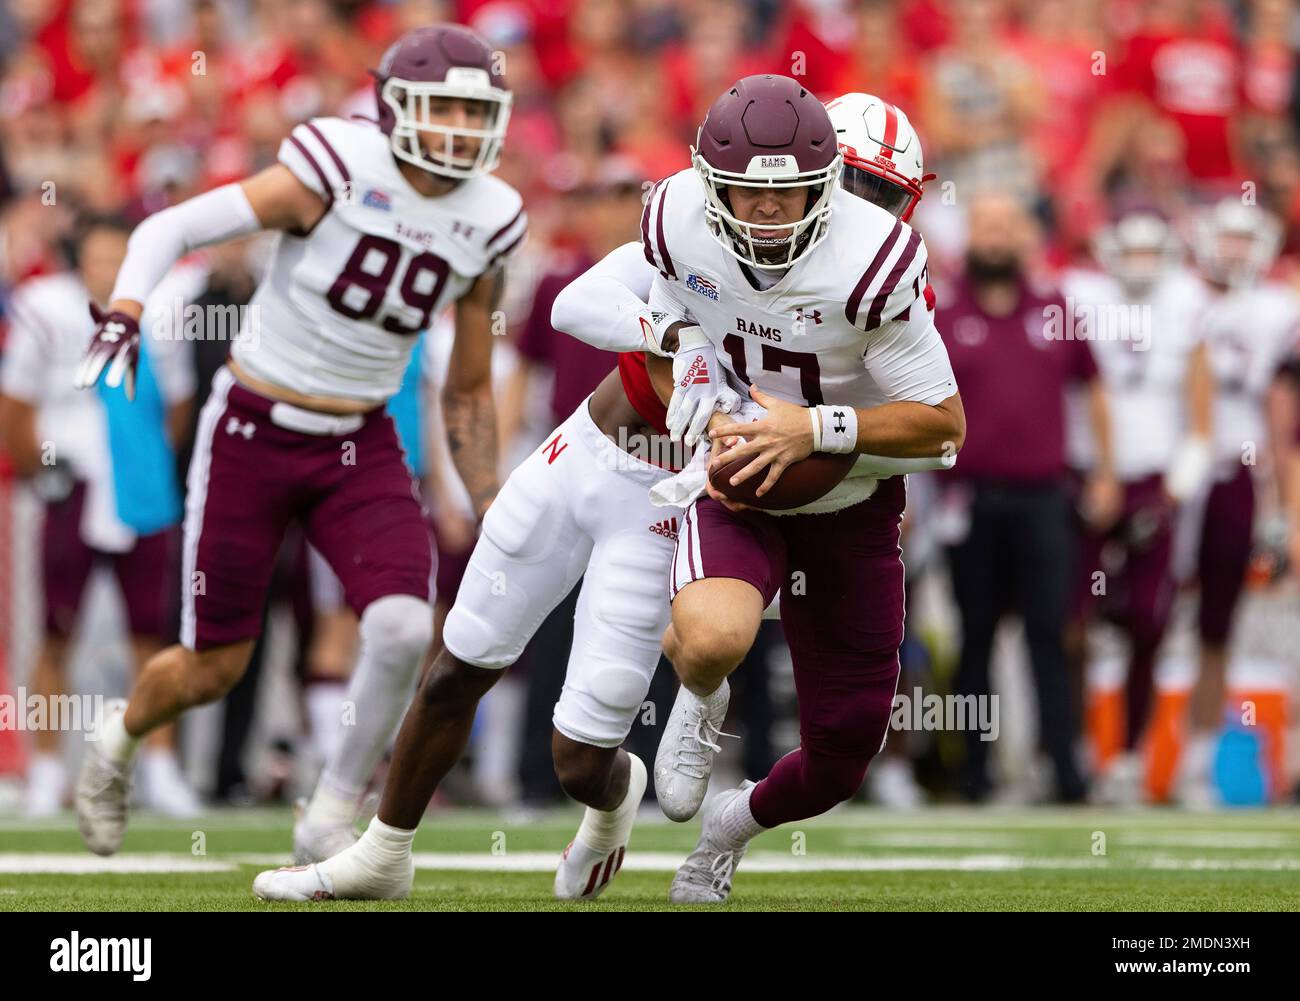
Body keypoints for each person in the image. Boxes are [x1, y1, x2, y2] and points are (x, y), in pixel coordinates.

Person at [71, 24, 524, 861]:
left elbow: (464, 386)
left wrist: (487, 494)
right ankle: (118, 740)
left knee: (399, 626)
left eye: (477, 110)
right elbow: (169, 231)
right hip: (252, 427)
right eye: (447, 107)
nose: (464, 127)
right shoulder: (336, 168)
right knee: (213, 667)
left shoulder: (491, 218)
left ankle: (330, 811)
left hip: (361, 437)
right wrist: (127, 311)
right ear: (398, 109)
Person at [251, 246, 691, 902]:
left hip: (661, 496)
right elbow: (577, 305)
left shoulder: (824, 304)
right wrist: (673, 332)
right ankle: (382, 850)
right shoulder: (686, 226)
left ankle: (615, 792)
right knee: (459, 661)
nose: (759, 216)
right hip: (581, 455)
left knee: (579, 761)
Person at [642, 76, 964, 903]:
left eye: (880, 193)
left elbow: (945, 428)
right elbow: (648, 294)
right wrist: (686, 350)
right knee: (712, 637)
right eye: (852, 182)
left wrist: (816, 429)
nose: (861, 205)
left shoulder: (876, 269)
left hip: (851, 495)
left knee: (845, 750)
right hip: (745, 471)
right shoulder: (687, 218)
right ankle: (703, 693)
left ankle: (731, 825)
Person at [0, 213, 197, 816]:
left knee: (152, 633)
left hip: (139, 488)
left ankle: (160, 767)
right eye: (101, 256)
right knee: (58, 631)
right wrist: (42, 469)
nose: (111, 269)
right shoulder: (46, 307)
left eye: (121, 256)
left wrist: (145, 464)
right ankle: (46, 769)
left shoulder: (160, 311)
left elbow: (179, 404)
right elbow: (16, 403)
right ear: (78, 259)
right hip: (75, 483)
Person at [937, 190, 1114, 805]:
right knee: (975, 637)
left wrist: (1106, 473)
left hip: (1044, 498)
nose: (995, 238)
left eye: (1006, 226)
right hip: (969, 499)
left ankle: (1065, 772)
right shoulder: (941, 312)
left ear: (1025, 237)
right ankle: (975, 776)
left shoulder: (1055, 307)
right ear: (968, 236)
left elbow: (1092, 388)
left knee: (1051, 632)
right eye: (985, 225)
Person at [1063, 211, 1213, 804]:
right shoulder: (1078, 295)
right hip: (1087, 479)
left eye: (1155, 253)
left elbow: (1202, 423)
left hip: (1155, 482)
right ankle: (1071, 750)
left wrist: (1173, 492)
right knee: (1073, 623)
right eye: (1134, 251)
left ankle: (1126, 758)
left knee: (1150, 622)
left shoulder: (1186, 303)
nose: (1143, 265)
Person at [1177, 198, 1300, 806]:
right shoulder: (1176, 297)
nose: (1233, 253)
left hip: (1238, 471)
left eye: (1243, 239)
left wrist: (1279, 503)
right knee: (1146, 613)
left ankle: (1196, 761)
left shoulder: (1280, 309)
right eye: (1224, 239)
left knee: (1218, 623)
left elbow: (1282, 411)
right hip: (1171, 470)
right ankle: (1121, 755)